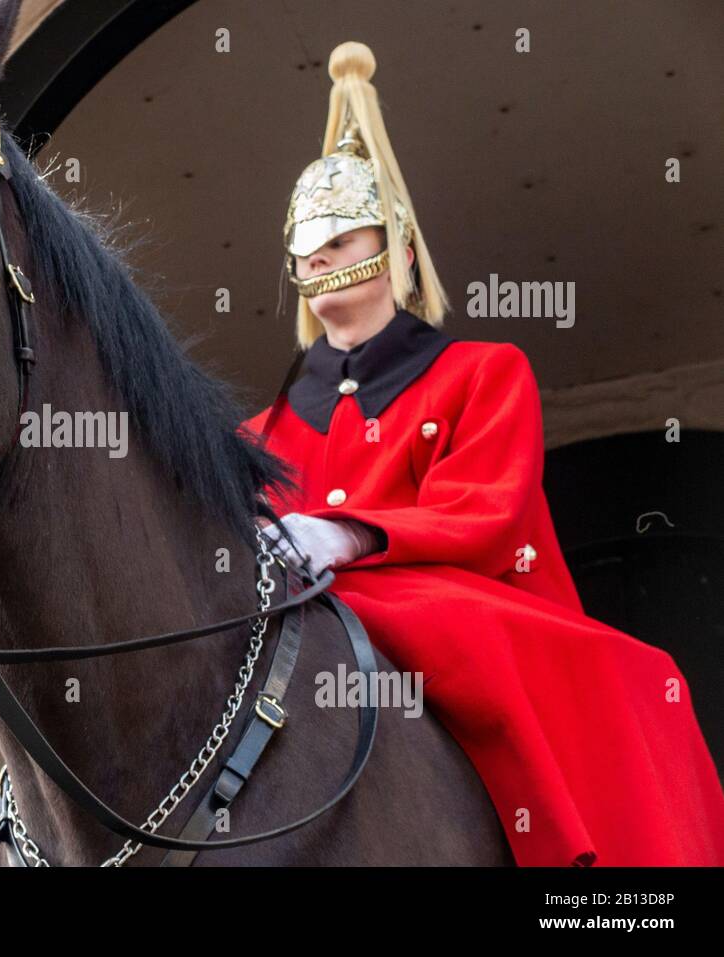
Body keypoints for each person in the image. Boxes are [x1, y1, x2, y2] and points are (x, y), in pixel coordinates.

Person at [241, 41, 724, 866]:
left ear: (396, 251)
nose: (320, 259)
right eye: (307, 250)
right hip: (297, 623)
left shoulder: (484, 372)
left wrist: (346, 535)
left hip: (454, 601)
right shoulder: (257, 435)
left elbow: (486, 513)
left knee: (641, 676)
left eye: (343, 237)